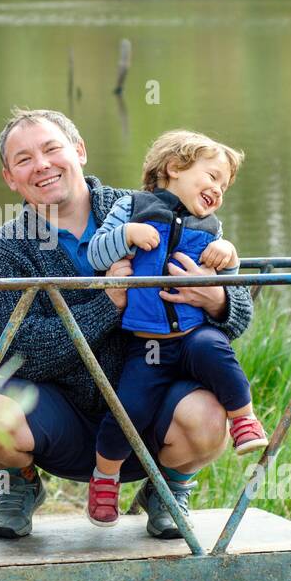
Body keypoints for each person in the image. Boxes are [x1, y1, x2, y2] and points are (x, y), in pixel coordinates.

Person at [0, 108, 255, 540]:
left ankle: (169, 486)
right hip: (59, 416)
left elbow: (239, 314)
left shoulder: (149, 206)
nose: (42, 165)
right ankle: (20, 482)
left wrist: (216, 298)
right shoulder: (4, 251)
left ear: (79, 151)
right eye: (24, 159)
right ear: (10, 177)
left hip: (150, 407)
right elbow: (16, 355)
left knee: (210, 416)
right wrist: (108, 302)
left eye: (51, 149)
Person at [84, 129, 267, 527]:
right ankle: (105, 477)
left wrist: (229, 257)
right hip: (147, 343)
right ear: (174, 168)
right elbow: (95, 253)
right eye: (212, 177)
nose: (218, 190)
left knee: (214, 350)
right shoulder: (132, 207)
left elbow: (231, 285)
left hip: (192, 335)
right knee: (127, 407)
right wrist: (126, 235)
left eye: (225, 186)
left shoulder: (211, 229)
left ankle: (244, 419)